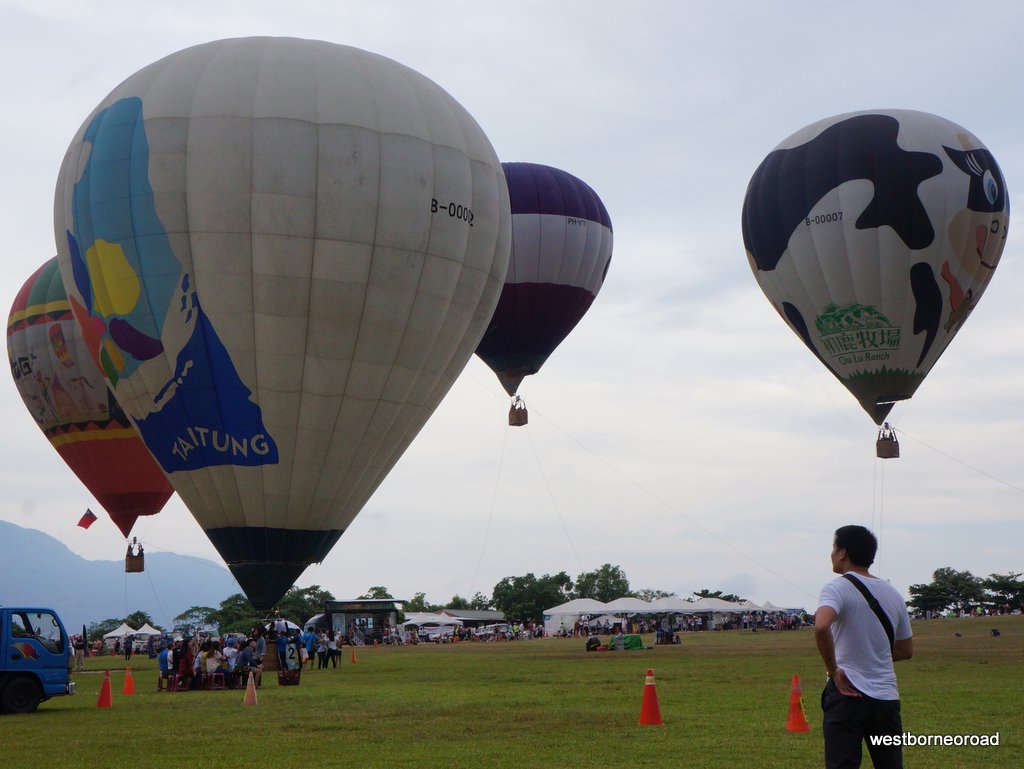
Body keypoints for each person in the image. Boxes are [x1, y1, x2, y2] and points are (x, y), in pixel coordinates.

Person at [814, 525, 913, 769]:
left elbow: (821, 626)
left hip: (847, 695)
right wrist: (871, 650)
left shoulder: (836, 587)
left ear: (842, 553)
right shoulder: (893, 594)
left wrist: (834, 671)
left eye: (833, 548)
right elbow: (905, 650)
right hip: (886, 699)